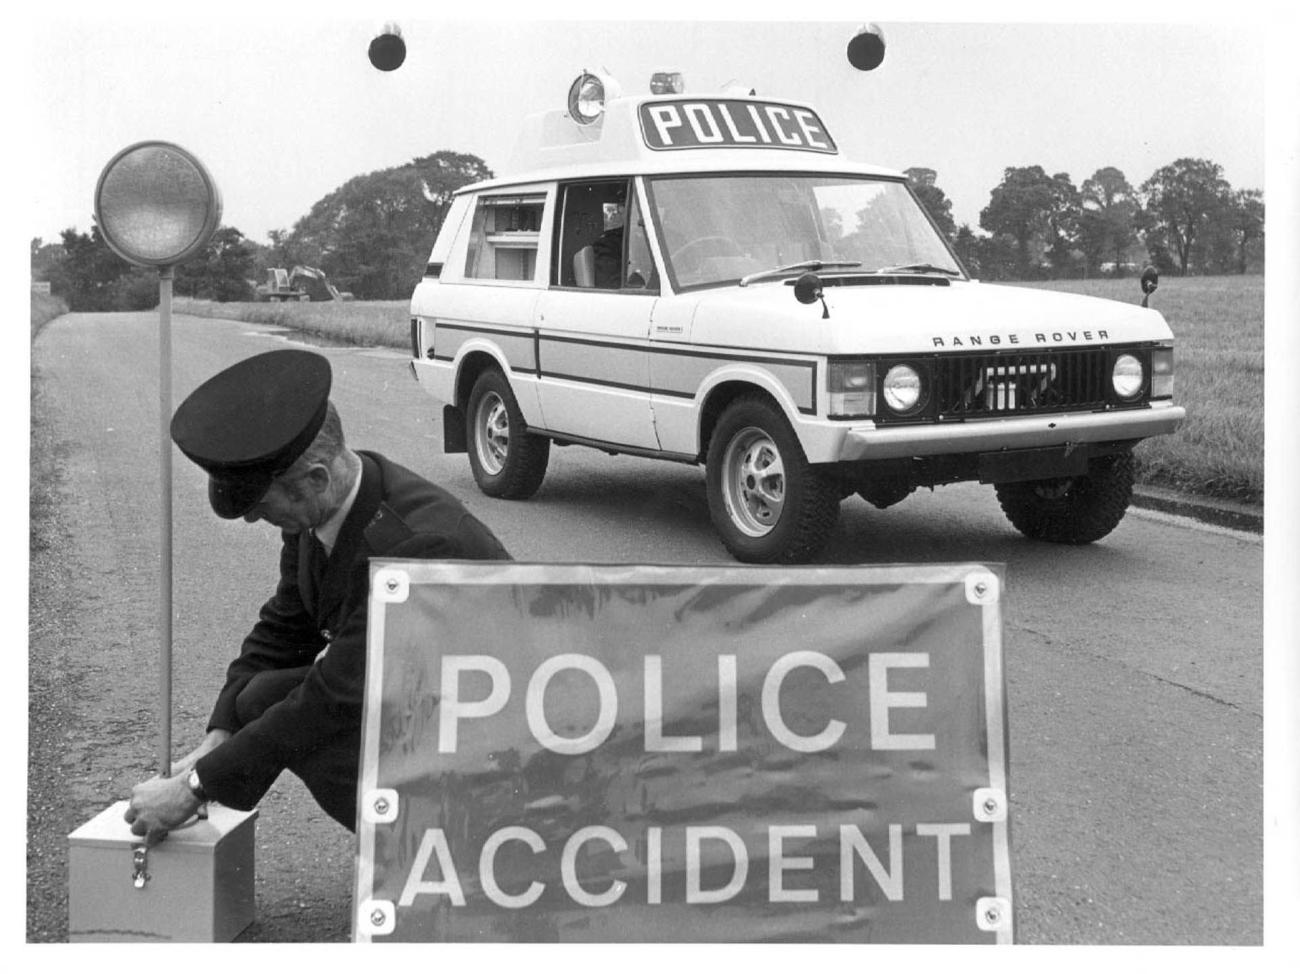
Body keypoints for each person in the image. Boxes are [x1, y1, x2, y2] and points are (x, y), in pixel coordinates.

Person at [124, 348, 510, 840]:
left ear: (316, 479)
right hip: (424, 707)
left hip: (488, 745)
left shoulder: (415, 546)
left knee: (307, 723)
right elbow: (281, 631)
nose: (250, 518)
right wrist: (216, 738)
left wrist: (196, 787)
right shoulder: (320, 510)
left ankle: (436, 847)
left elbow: (333, 695)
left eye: (261, 506)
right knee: (256, 694)